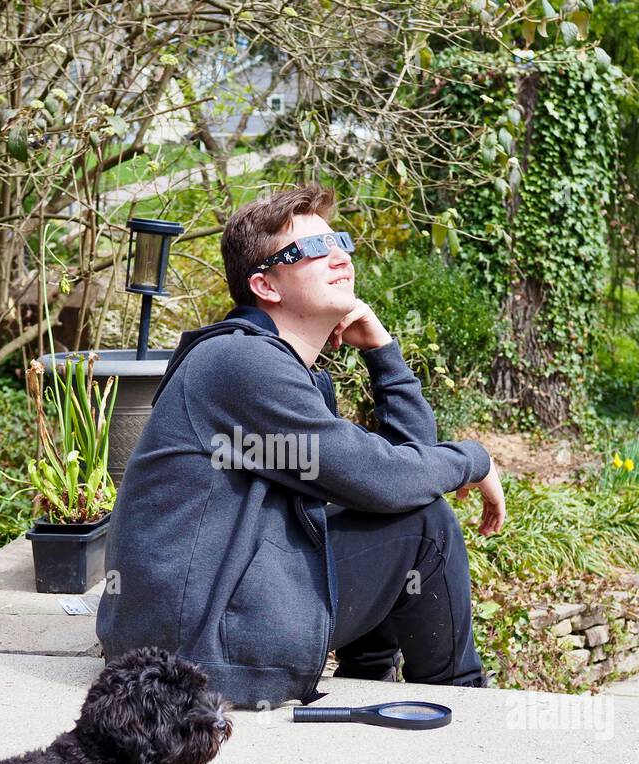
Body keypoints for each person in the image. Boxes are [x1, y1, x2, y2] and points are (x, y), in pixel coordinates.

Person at [95, 183, 506, 708]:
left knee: (401, 512)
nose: (338, 256)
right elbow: (390, 480)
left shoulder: (274, 366)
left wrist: (381, 352)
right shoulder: (241, 364)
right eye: (312, 249)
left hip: (197, 629)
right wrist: (474, 458)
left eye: (340, 241)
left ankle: (369, 682)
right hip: (195, 650)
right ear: (265, 285)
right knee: (426, 528)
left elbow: (402, 476)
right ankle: (468, 704)